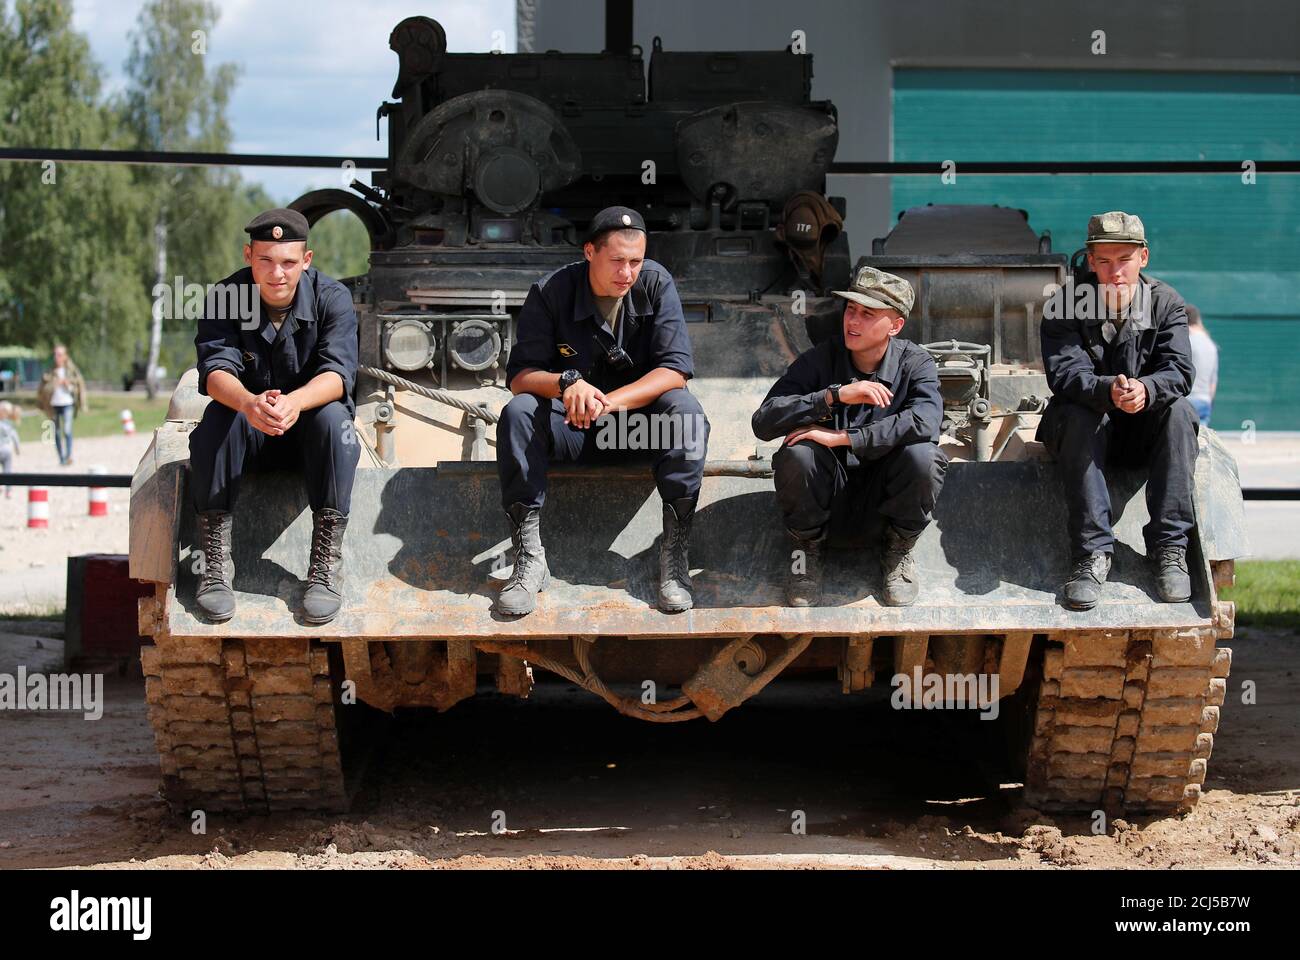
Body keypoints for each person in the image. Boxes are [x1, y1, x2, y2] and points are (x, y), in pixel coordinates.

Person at [496, 206, 709, 616]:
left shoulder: (655, 284)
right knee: (520, 412)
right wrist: (566, 383)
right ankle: (528, 558)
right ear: (589, 251)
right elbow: (520, 376)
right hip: (572, 431)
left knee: (686, 413)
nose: (627, 273)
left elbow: (676, 371)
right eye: (617, 261)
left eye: (636, 262)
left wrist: (612, 402)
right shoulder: (551, 292)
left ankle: (674, 559)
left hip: (635, 432)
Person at [189, 208, 360, 624]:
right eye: (265, 260)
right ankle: (214, 565)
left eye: (288, 262)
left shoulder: (331, 298)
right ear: (249, 255)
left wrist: (296, 402)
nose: (277, 273)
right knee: (216, 420)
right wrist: (249, 403)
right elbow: (215, 372)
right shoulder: (226, 297)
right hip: (250, 431)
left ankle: (324, 568)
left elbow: (339, 374)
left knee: (336, 422)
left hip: (309, 438)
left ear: (306, 259)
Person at [752, 265, 947, 607]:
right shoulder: (822, 359)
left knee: (924, 457)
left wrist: (844, 437)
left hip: (885, 502)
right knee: (798, 453)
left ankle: (898, 551)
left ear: (895, 326)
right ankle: (806, 554)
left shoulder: (915, 364)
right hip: (825, 500)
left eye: (867, 314)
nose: (853, 321)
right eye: (851, 310)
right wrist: (833, 396)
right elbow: (764, 421)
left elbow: (926, 422)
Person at [1038, 211, 1197, 611]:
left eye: (1123, 259)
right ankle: (1091, 555)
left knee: (1179, 413)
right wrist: (1109, 390)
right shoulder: (1065, 306)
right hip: (1086, 430)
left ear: (1143, 257)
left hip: (1142, 429)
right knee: (1075, 413)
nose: (1114, 271)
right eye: (1103, 260)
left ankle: (1169, 549)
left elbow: (1178, 371)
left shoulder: (1166, 304)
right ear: (1090, 261)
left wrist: (1147, 388)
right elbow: (1065, 374)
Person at [36, 344, 88, 466]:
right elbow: (43, 389)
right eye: (55, 354)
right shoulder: (49, 372)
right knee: (56, 432)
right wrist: (54, 385)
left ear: (65, 356)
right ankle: (61, 458)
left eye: (59, 354)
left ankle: (69, 455)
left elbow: (78, 386)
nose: (56, 357)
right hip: (53, 405)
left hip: (67, 404)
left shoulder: (71, 371)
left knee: (67, 429)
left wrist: (67, 384)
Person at [1185, 305, 1218, 427]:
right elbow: (1213, 382)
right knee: (1201, 441)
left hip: (1186, 400)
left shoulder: (1185, 342)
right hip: (1204, 400)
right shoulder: (1211, 344)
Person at [0, 401, 19, 498]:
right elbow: (15, 437)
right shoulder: (9, 424)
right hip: (7, 450)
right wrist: (17, 448)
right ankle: (8, 491)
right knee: (7, 470)